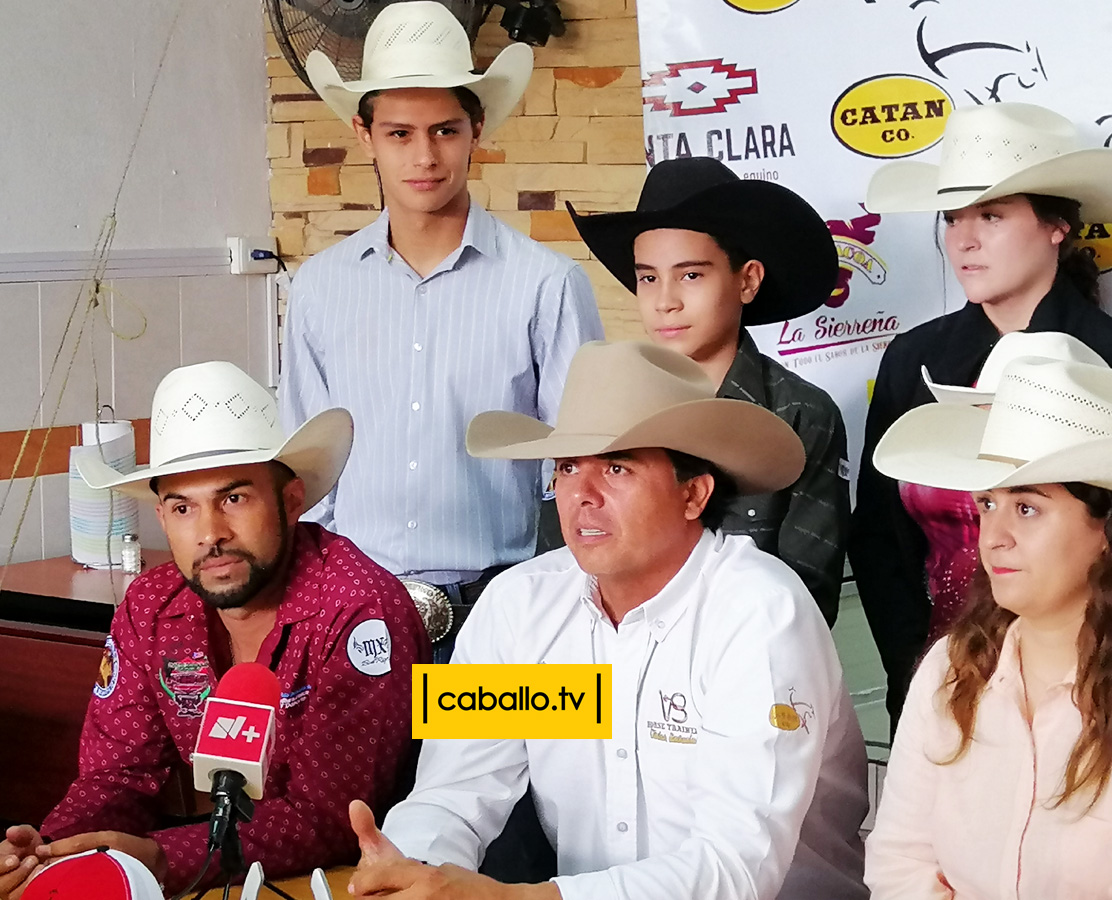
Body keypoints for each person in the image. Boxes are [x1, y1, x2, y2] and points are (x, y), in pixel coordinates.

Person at [345, 341, 870, 900]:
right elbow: (453, 791)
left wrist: (519, 898)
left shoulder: (763, 611)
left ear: (694, 493)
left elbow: (737, 867)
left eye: (617, 467)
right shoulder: (516, 604)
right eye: (568, 467)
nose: (582, 496)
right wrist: (409, 870)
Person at [0, 362, 429, 899]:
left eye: (234, 499)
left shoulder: (360, 607)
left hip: (353, 882)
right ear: (163, 520)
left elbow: (332, 817)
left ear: (290, 502)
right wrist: (50, 850)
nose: (210, 533)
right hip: (211, 879)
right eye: (183, 507)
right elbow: (116, 776)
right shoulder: (150, 605)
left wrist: (168, 858)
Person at [284, 0, 604, 659]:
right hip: (352, 617)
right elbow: (305, 476)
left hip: (509, 615)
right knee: (363, 769)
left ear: (477, 128)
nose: (424, 156)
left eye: (445, 131)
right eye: (400, 133)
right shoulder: (319, 288)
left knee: (504, 767)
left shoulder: (547, 284)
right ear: (363, 133)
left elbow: (580, 468)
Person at [850, 102, 1112, 725]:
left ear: (1056, 227)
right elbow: (880, 536)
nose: (963, 239)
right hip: (937, 678)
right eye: (952, 218)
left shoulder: (1108, 359)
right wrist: (915, 666)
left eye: (991, 216)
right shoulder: (914, 358)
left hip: (1090, 687)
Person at [864, 355, 1112, 899]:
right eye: (988, 503)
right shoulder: (951, 667)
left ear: (1105, 531)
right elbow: (900, 858)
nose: (992, 536)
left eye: (1026, 508)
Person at [567, 157, 849, 623]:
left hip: (746, 672)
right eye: (648, 278)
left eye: (691, 275)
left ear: (748, 280)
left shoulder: (801, 414)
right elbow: (558, 576)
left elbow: (808, 599)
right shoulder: (600, 403)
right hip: (605, 670)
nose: (665, 301)